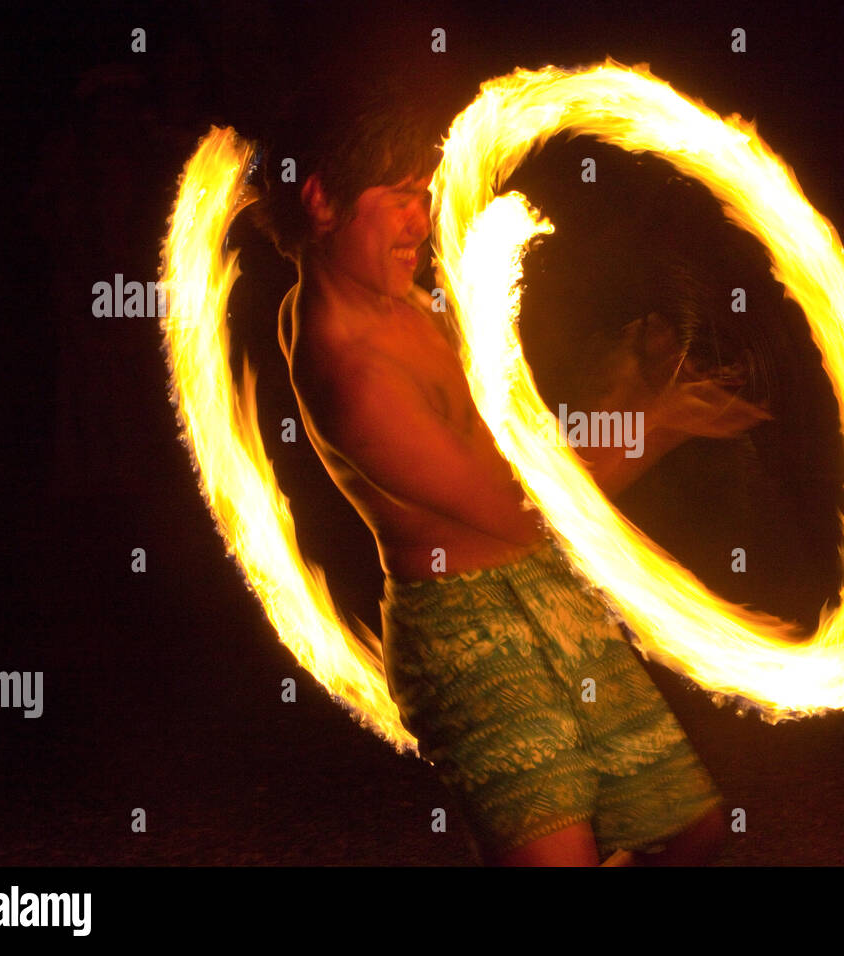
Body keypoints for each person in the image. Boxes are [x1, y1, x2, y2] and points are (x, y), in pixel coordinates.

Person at [252, 75, 772, 865]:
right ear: (321, 200)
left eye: (424, 192)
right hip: (468, 638)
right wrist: (656, 427)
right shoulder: (350, 376)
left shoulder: (395, 299)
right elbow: (519, 506)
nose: (422, 220)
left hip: (548, 595)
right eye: (399, 196)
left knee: (690, 832)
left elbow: (496, 430)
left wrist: (622, 387)